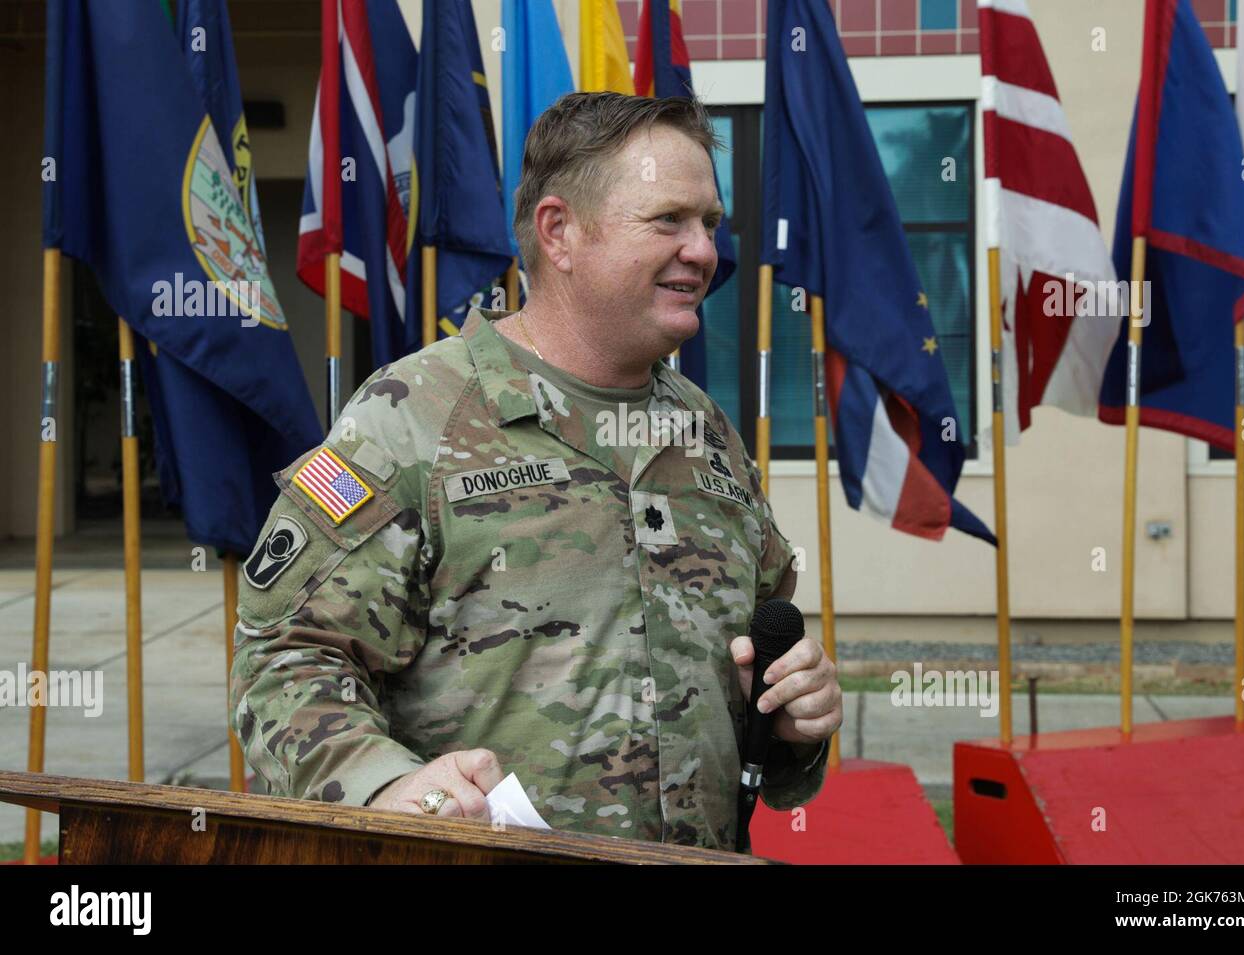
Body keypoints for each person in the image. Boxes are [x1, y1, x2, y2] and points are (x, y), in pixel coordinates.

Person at [230, 92, 841, 852]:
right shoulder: (413, 416)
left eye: (710, 223)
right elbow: (285, 658)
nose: (705, 251)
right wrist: (382, 783)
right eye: (668, 221)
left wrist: (793, 723)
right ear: (560, 231)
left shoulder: (706, 431)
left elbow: (761, 683)